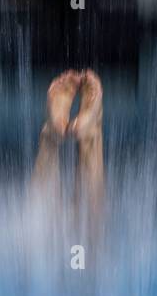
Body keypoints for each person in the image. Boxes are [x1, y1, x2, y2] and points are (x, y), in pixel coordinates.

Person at [30, 69, 104, 236]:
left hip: (41, 259)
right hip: (85, 258)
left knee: (38, 249)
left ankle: (51, 134)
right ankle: (91, 134)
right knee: (89, 251)